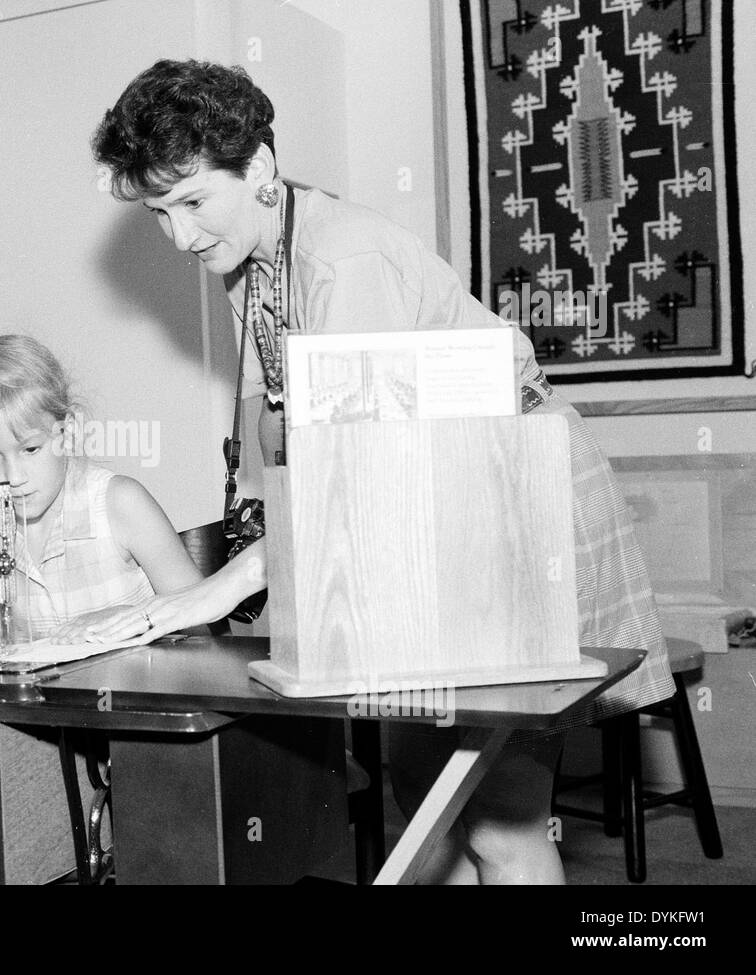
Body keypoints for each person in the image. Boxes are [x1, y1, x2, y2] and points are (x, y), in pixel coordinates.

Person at [88, 59, 675, 884]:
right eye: (158, 212)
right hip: (430, 500)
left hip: (509, 494)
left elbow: (356, 489)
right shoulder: (253, 261)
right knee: (422, 787)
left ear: (257, 168)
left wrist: (209, 593)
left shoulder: (343, 262)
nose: (179, 236)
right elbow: (287, 425)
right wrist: (256, 544)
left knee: (500, 806)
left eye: (191, 202)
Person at [0, 334, 204, 640]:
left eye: (31, 449)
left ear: (68, 431)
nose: (14, 475)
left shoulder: (120, 504)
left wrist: (128, 618)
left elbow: (203, 626)